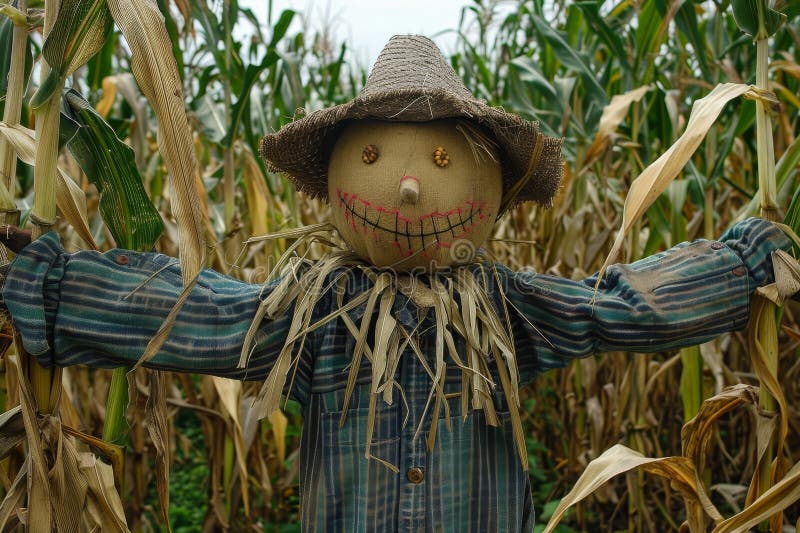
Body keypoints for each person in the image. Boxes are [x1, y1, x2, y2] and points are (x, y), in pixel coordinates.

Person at [0, 36, 794, 532]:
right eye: (376, 159)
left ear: (490, 182)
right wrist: (47, 284)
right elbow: (196, 313)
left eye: (441, 162)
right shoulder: (311, 313)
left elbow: (615, 305)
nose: (409, 191)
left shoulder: (506, 311)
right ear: (339, 168)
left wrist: (745, 266)